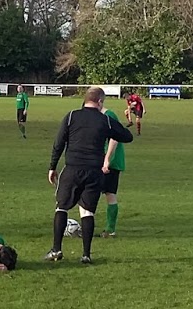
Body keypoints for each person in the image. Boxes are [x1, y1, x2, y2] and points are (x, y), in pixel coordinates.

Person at [46, 86, 135, 265]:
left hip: (72, 168)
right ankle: (86, 254)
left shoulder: (71, 116)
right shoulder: (105, 120)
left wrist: (52, 167)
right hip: (94, 172)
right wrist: (109, 131)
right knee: (87, 211)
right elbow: (127, 136)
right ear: (100, 101)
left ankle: (56, 250)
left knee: (61, 207)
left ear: (85, 99)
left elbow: (59, 143)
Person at [101, 105, 128, 237]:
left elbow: (114, 138)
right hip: (102, 160)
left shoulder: (109, 115)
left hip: (111, 162)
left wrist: (107, 159)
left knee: (109, 193)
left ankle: (110, 229)